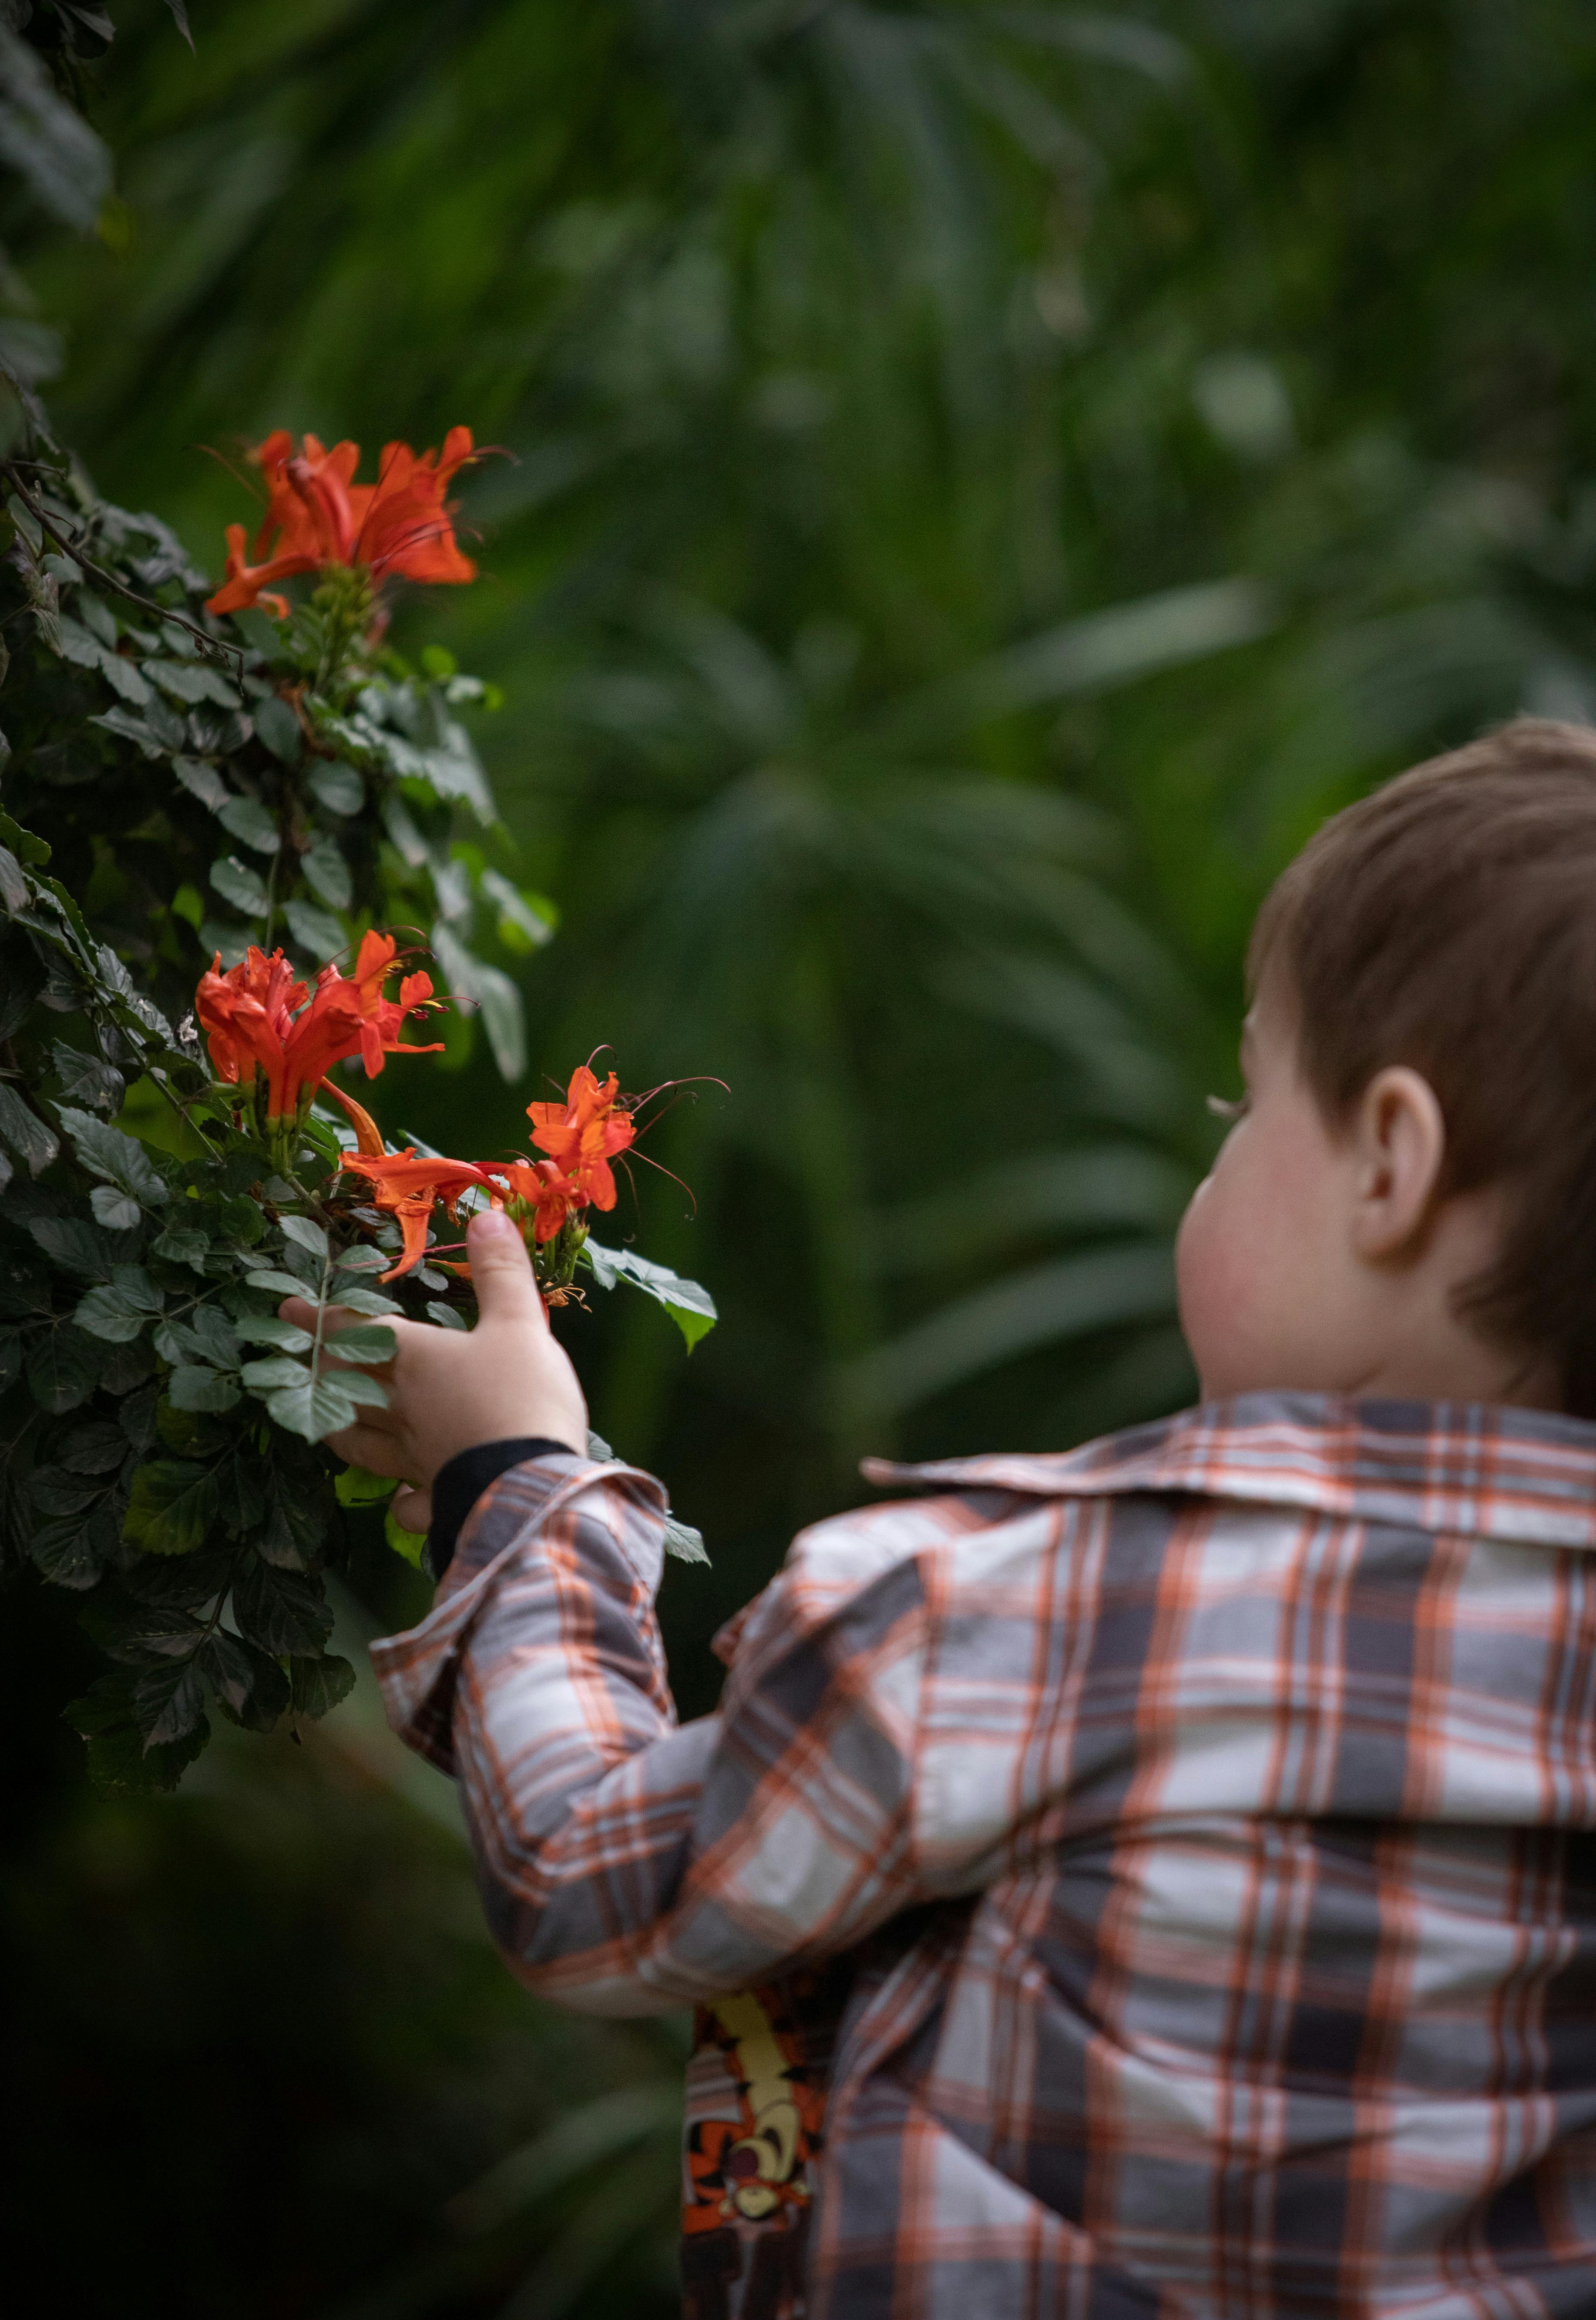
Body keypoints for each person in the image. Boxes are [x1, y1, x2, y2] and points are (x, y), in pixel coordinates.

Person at [296, 717, 1596, 2320]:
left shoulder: (1051, 1612)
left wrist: (515, 1479)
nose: (1215, 1147)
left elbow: (587, 1874)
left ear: (1390, 1163)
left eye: (1240, 1105)